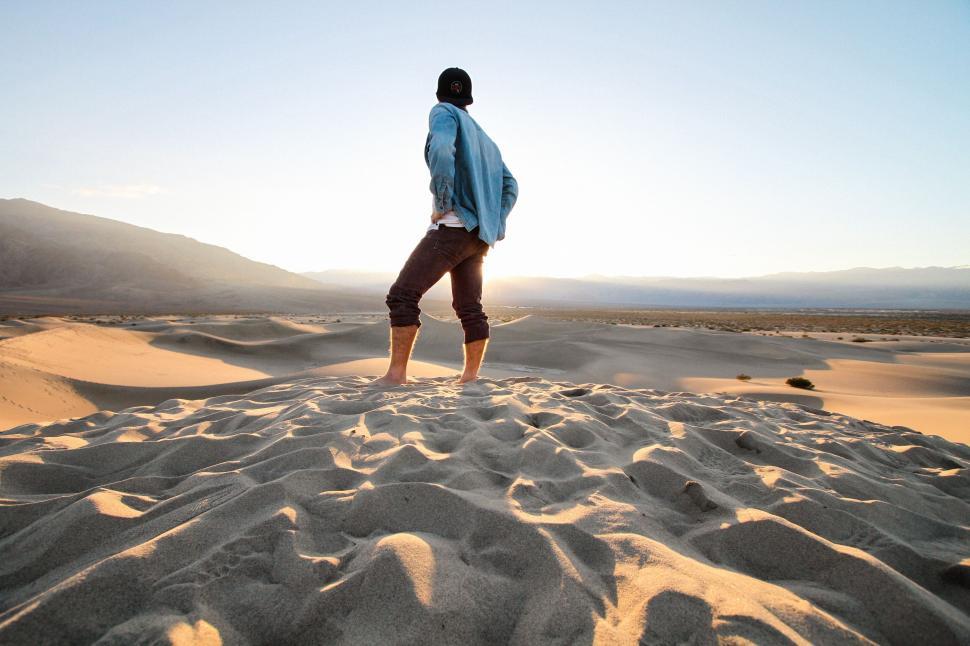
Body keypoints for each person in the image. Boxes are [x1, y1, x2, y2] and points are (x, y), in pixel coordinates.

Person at [374, 67, 518, 385]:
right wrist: (495, 223)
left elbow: (441, 149)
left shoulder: (443, 113)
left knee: (402, 296)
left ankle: (395, 375)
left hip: (453, 227)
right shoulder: (486, 140)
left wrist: (442, 203)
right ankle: (469, 377)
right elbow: (511, 185)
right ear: (468, 98)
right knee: (469, 307)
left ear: (440, 94)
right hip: (478, 237)